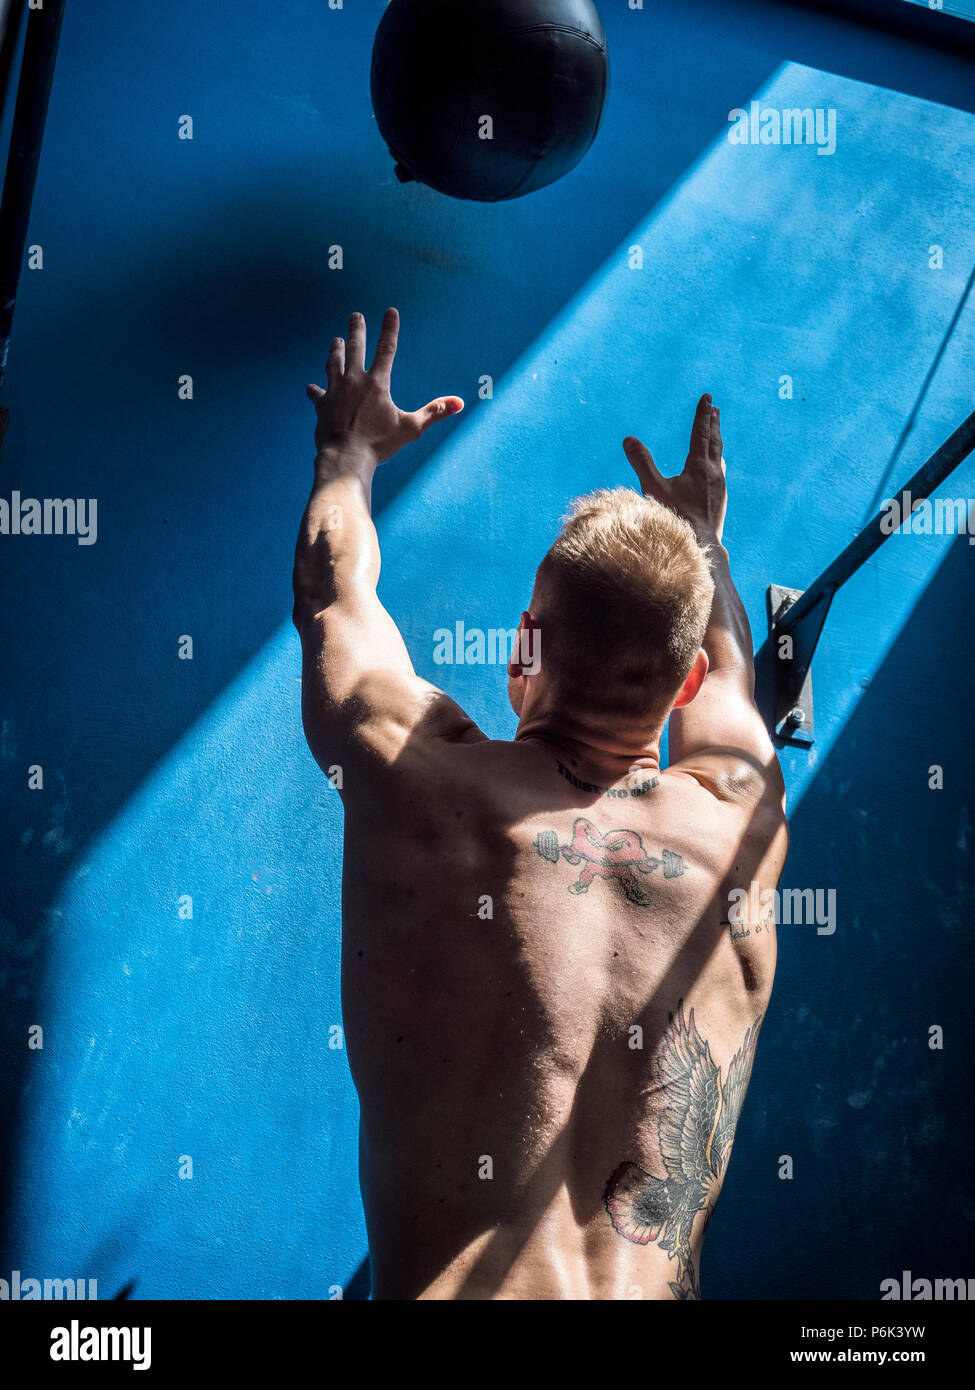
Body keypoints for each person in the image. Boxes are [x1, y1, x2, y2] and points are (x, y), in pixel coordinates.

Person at [292, 308, 788, 1300]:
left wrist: (347, 452)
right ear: (681, 685)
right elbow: (729, 679)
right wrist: (705, 546)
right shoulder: (744, 822)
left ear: (525, 647)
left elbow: (331, 598)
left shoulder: (419, 778)